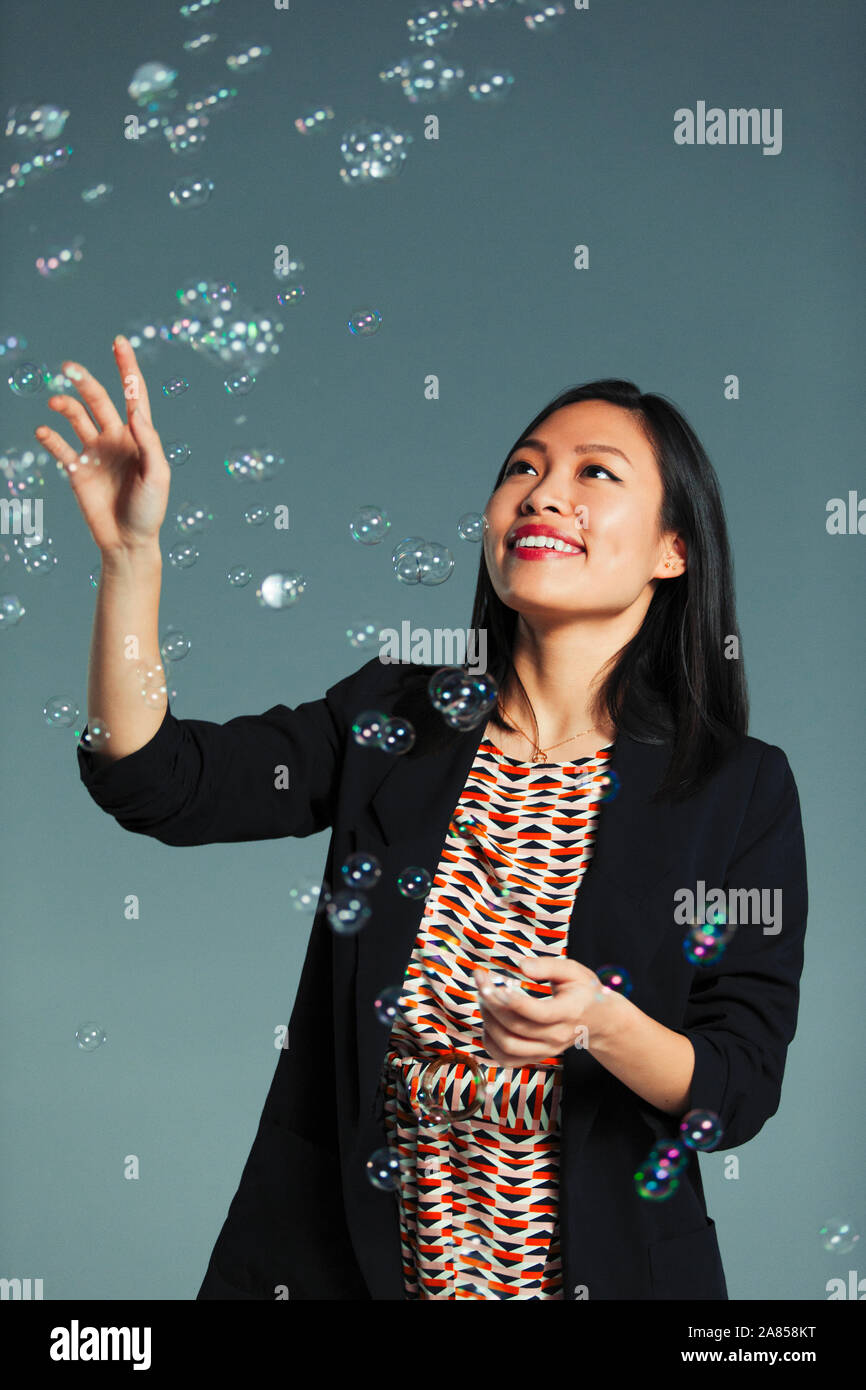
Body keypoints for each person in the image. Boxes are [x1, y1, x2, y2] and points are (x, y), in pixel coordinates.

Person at [39, 340, 807, 1300]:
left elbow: (737, 1083)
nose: (542, 492)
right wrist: (130, 558)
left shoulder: (738, 789)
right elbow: (158, 779)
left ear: (673, 551)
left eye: (594, 473)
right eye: (522, 468)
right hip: (340, 1270)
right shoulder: (395, 721)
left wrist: (602, 1024)